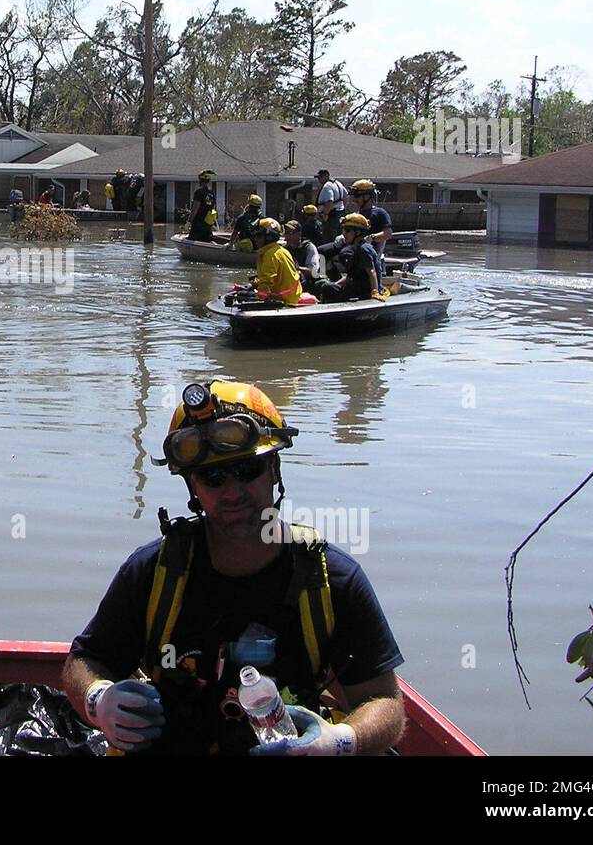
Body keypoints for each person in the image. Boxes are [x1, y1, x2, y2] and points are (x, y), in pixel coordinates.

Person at [62, 380, 406, 756]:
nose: (232, 491)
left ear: (274, 468)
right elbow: (84, 661)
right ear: (193, 485)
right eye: (213, 477)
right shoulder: (155, 572)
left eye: (247, 469)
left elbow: (385, 702)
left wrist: (337, 742)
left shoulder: (329, 580)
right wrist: (99, 699)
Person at [313, 213, 386, 304]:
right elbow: (349, 277)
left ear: (358, 232)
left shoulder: (364, 249)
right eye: (343, 230)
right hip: (355, 289)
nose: (344, 234)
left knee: (326, 288)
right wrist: (334, 285)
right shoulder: (355, 249)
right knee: (321, 285)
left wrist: (375, 292)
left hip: (363, 293)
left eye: (347, 231)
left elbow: (371, 272)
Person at [246, 218, 302, 306]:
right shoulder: (281, 250)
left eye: (259, 236)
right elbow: (266, 277)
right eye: (254, 235)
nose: (255, 239)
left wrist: (255, 296)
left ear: (269, 237)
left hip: (285, 300)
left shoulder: (270, 255)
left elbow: (266, 282)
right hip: (293, 295)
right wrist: (254, 284)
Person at [348, 179, 393, 256]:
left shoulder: (380, 213)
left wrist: (371, 238)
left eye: (357, 196)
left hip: (370, 255)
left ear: (367, 196)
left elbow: (388, 233)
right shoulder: (356, 215)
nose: (354, 200)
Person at [283, 220, 322, 290]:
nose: (287, 236)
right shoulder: (284, 249)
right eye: (286, 233)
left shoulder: (309, 247)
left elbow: (314, 271)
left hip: (307, 284)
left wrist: (295, 268)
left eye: (290, 233)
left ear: (299, 234)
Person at [314, 170, 348, 241]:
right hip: (339, 213)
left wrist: (326, 214)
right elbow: (346, 197)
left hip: (331, 216)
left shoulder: (327, 186)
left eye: (320, 177)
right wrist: (343, 208)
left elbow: (329, 201)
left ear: (327, 176)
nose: (319, 179)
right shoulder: (338, 183)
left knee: (329, 238)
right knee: (339, 236)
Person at [185, 170, 216, 241]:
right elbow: (212, 209)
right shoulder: (211, 193)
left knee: (192, 240)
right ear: (208, 181)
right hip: (208, 224)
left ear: (200, 180)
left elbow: (195, 208)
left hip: (198, 224)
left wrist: (189, 221)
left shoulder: (199, 192)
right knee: (206, 241)